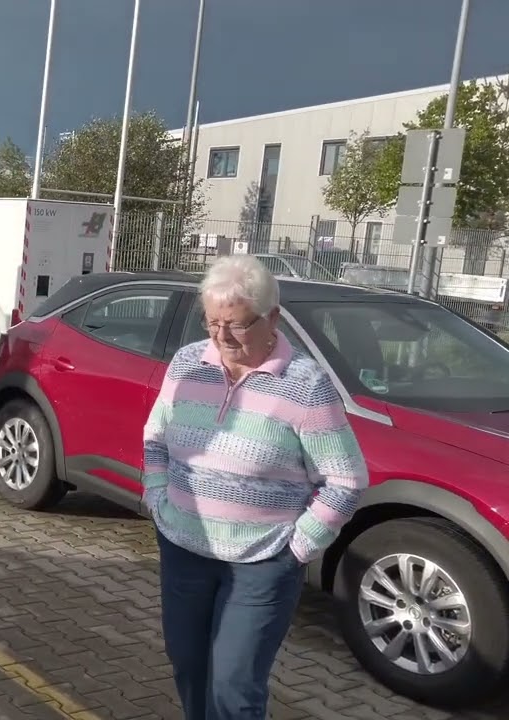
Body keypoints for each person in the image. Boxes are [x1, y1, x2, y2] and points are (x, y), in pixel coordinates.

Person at [141, 254, 368, 720]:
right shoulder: (187, 363)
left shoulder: (306, 386)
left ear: (273, 318)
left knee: (234, 687)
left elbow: (346, 479)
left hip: (261, 566)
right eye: (212, 323)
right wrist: (156, 495)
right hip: (184, 547)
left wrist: (297, 548)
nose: (222, 337)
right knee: (187, 662)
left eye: (238, 325)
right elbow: (156, 436)